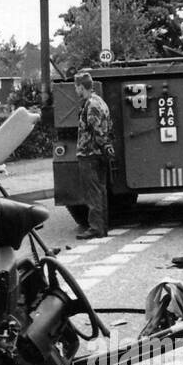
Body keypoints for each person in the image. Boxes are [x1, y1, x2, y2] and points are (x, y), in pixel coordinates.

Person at [74, 70, 114, 239]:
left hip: (89, 153)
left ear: (82, 87)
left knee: (93, 192)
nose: (76, 91)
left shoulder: (91, 105)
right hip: (98, 153)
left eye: (76, 87)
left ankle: (96, 227)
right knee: (101, 190)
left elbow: (95, 129)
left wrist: (102, 145)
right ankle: (102, 227)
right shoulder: (100, 102)